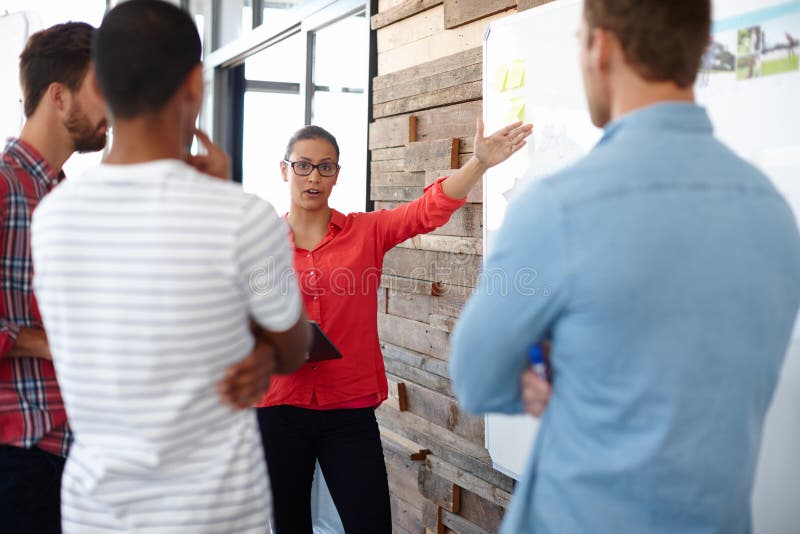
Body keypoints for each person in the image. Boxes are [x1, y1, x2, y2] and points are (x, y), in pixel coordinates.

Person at [450, 0, 800, 533]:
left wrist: (547, 359)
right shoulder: (774, 211)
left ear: (602, 46)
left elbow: (476, 379)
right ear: (698, 48)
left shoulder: (557, 206)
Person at [31, 1, 311, 532]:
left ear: (95, 89)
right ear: (195, 86)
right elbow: (293, 351)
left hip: (96, 513)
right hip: (218, 514)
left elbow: (132, 325)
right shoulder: (242, 218)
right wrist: (258, 344)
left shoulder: (53, 218)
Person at [256, 118, 532, 533]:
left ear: (337, 175)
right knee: (286, 525)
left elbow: (426, 211)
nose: (314, 176)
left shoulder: (365, 232)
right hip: (277, 407)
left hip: (347, 412)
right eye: (303, 165)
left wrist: (478, 163)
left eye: (325, 166)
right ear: (284, 170)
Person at [0, 21, 107, 533]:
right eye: (101, 87)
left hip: (75, 452)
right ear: (58, 96)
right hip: (17, 455)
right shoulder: (4, 188)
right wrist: (58, 344)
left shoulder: (67, 201)